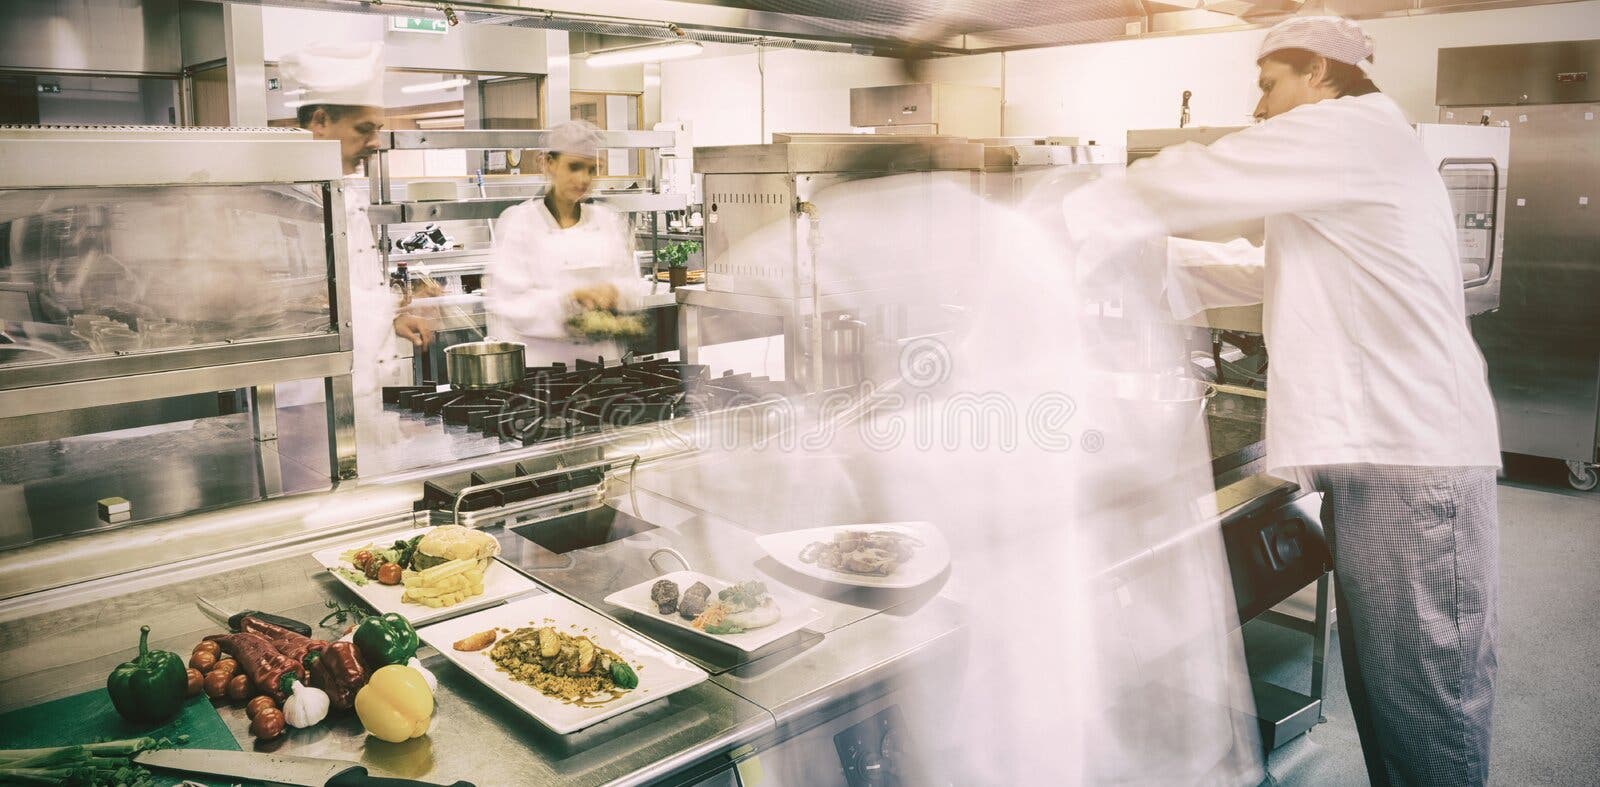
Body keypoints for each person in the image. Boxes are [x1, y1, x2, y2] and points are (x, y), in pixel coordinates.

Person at [1061, 16, 1499, 786]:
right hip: (1384, 462)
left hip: (1412, 465)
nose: (1260, 107)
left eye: (1269, 85)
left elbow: (1196, 177)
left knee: (1428, 709)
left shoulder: (1352, 131)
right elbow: (1274, 272)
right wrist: (1148, 260)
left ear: (1320, 74)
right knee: (1391, 698)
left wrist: (1054, 219)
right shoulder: (1359, 153)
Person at [279, 42, 433, 404]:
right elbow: (300, 308)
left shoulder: (345, 191)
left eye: (378, 129)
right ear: (320, 121)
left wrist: (392, 318)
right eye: (365, 129)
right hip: (310, 397)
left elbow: (351, 291)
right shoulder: (281, 199)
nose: (376, 142)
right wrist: (386, 308)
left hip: (365, 390)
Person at [486, 120, 646, 367]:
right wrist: (570, 299)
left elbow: (631, 287)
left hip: (604, 368)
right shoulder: (519, 222)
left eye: (592, 169)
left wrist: (616, 293)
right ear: (547, 163)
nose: (583, 178)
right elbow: (509, 303)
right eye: (574, 167)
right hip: (541, 372)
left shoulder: (607, 221)